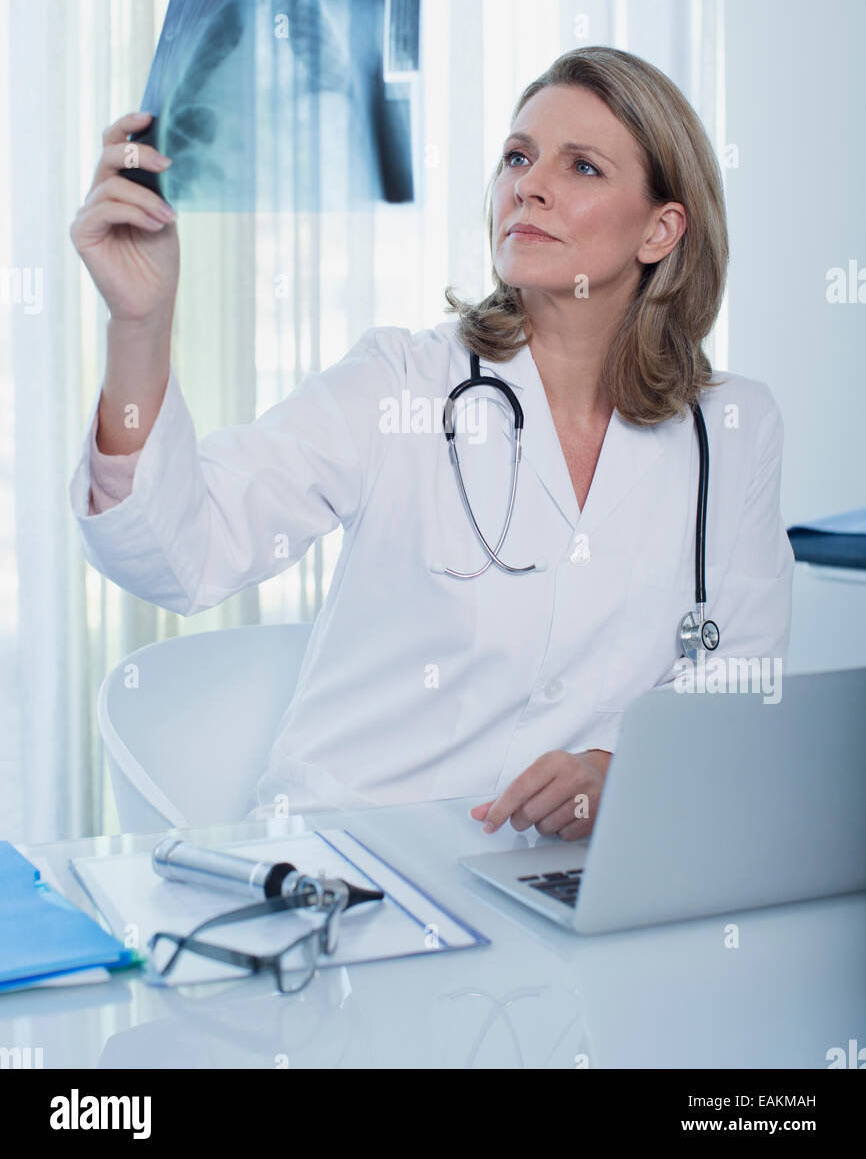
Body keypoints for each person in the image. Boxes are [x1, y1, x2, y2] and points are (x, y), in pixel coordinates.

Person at [68, 45, 794, 838]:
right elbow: (181, 553)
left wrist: (619, 772)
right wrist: (138, 325)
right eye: (517, 157)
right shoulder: (401, 384)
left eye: (581, 167)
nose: (529, 185)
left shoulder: (733, 427)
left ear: (661, 229)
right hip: (351, 870)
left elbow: (743, 681)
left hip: (569, 881)